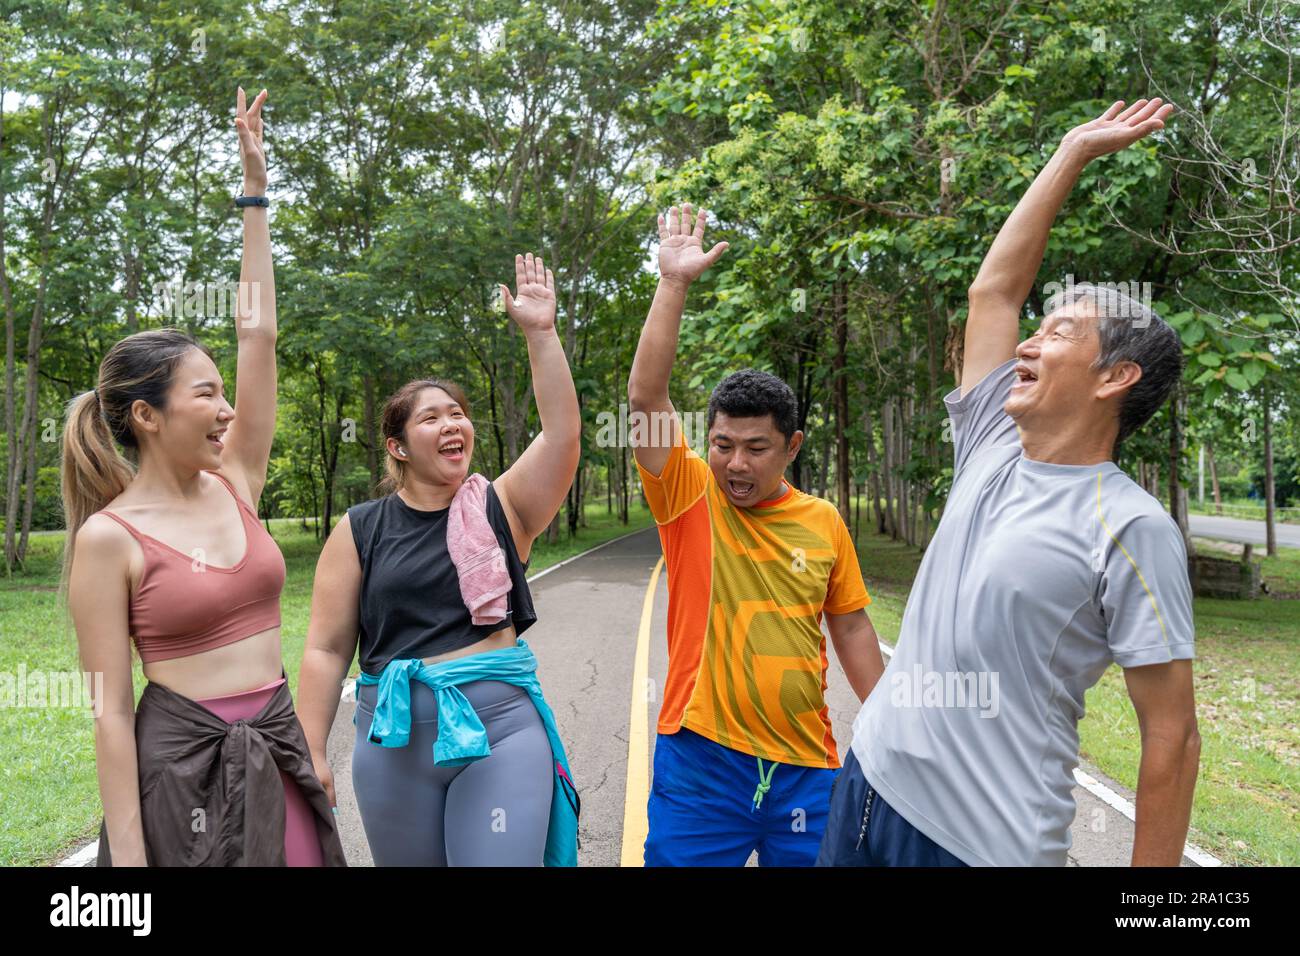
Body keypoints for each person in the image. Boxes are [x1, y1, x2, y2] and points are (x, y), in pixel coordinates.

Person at [818, 98, 1200, 867]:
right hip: (868, 785)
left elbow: (1173, 734)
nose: (1028, 342)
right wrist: (1071, 151)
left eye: (1060, 333)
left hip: (978, 843)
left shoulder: (1132, 529)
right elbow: (993, 292)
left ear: (1115, 377)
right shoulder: (992, 443)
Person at [63, 87, 345, 866]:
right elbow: (110, 714)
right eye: (205, 395)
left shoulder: (235, 480)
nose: (227, 410)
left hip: (277, 747)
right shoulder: (109, 539)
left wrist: (255, 193)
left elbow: (259, 335)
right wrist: (129, 860)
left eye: (225, 393)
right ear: (147, 415)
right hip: (180, 772)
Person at [297, 252, 582, 866]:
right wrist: (310, 750)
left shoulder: (502, 506)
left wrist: (541, 333)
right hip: (392, 741)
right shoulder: (360, 529)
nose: (452, 423)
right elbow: (325, 648)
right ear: (398, 447)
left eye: (457, 414)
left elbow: (561, 435)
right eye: (431, 418)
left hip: (500, 734)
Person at [629, 204, 886, 866]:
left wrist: (891, 719)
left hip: (807, 767)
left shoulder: (823, 520)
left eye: (756, 448)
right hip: (701, 764)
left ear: (792, 446)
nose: (735, 464)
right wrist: (672, 283)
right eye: (722, 445)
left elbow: (851, 626)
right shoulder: (688, 493)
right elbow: (647, 399)